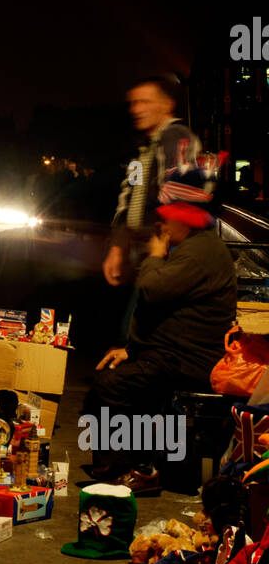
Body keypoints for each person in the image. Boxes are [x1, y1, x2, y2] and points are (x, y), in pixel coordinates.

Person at [86, 202, 237, 491]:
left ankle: (141, 470)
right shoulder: (193, 248)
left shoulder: (199, 252)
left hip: (192, 359)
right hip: (174, 351)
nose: (162, 228)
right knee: (110, 374)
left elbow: (152, 290)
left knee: (116, 385)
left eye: (168, 222)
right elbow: (169, 310)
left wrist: (155, 256)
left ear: (186, 222)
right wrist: (132, 349)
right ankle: (114, 462)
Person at [103, 77, 219, 342]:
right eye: (132, 103)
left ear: (167, 105)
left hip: (169, 255)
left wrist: (160, 246)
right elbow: (129, 194)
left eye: (144, 101)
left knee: (142, 333)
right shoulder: (145, 149)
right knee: (137, 329)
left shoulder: (177, 138)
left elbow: (178, 196)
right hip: (149, 255)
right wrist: (118, 246)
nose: (135, 109)